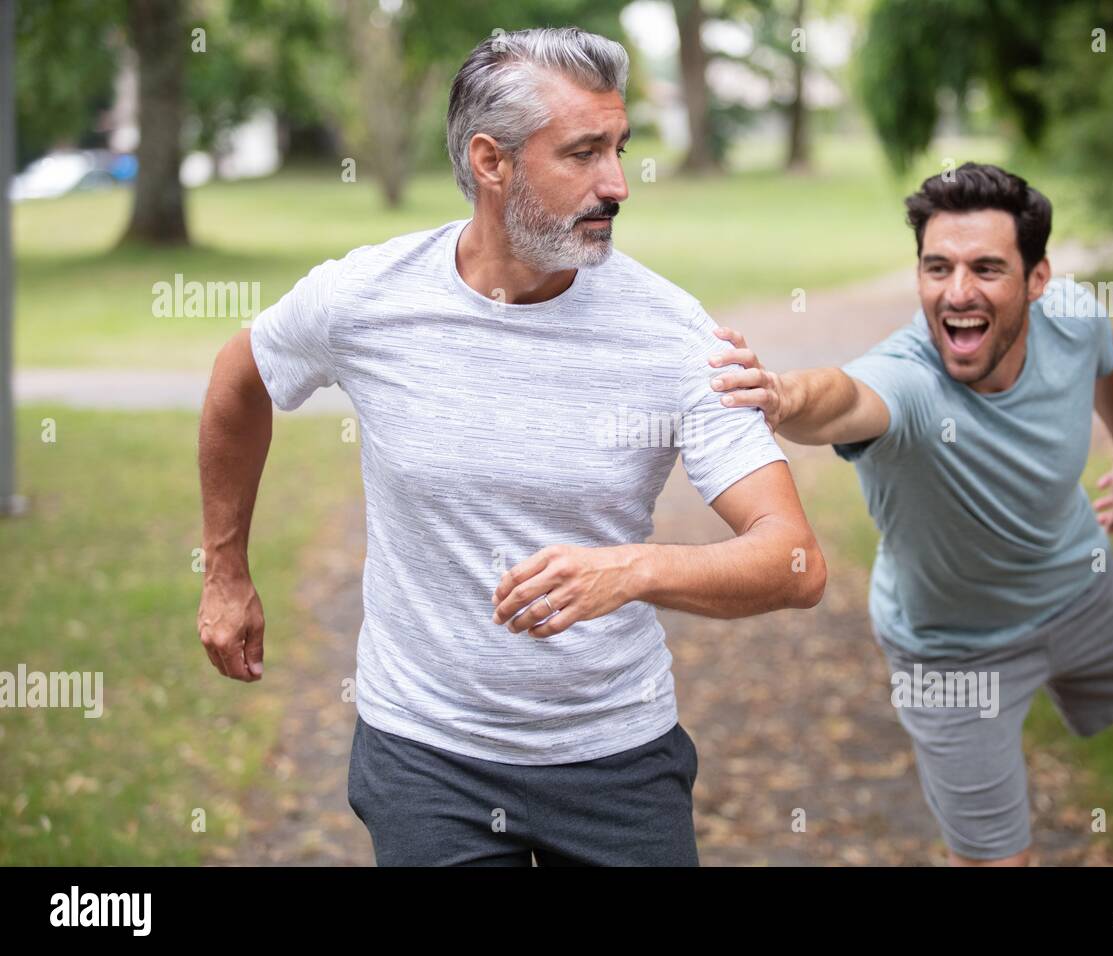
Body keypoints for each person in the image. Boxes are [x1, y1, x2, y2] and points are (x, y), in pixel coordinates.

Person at [196, 26, 826, 867]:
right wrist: (226, 569)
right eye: (584, 153)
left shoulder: (674, 334)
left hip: (616, 762)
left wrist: (634, 569)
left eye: (621, 148)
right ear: (491, 163)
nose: (618, 184)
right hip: (428, 754)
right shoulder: (367, 298)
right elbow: (241, 381)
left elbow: (795, 562)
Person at [710, 162, 1113, 865]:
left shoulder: (1074, 314)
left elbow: (1109, 362)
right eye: (937, 267)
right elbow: (841, 395)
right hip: (951, 648)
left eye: (987, 268)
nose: (957, 293)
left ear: (1037, 280)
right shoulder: (910, 381)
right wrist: (780, 395)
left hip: (1080, 584)